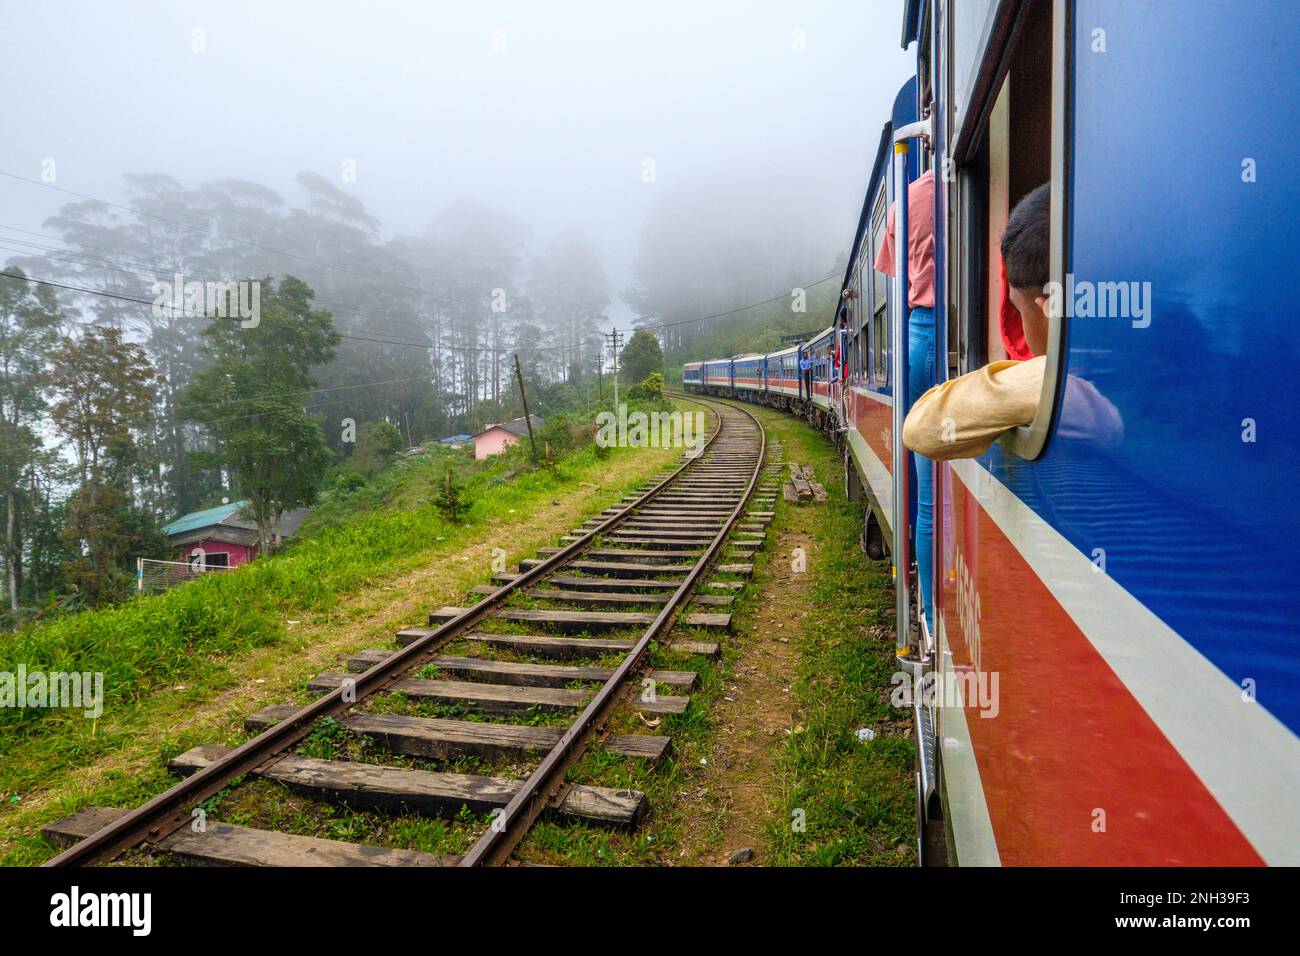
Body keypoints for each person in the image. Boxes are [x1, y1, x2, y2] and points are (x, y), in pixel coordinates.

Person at [903, 183, 1049, 460]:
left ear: (1047, 312)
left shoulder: (1064, 383)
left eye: (1018, 313)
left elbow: (919, 428)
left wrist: (1048, 368)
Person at [875, 167, 937, 634]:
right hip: (966, 332)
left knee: (927, 493)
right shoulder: (981, 171)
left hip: (922, 334)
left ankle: (930, 616)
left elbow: (895, 275)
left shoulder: (903, 203)